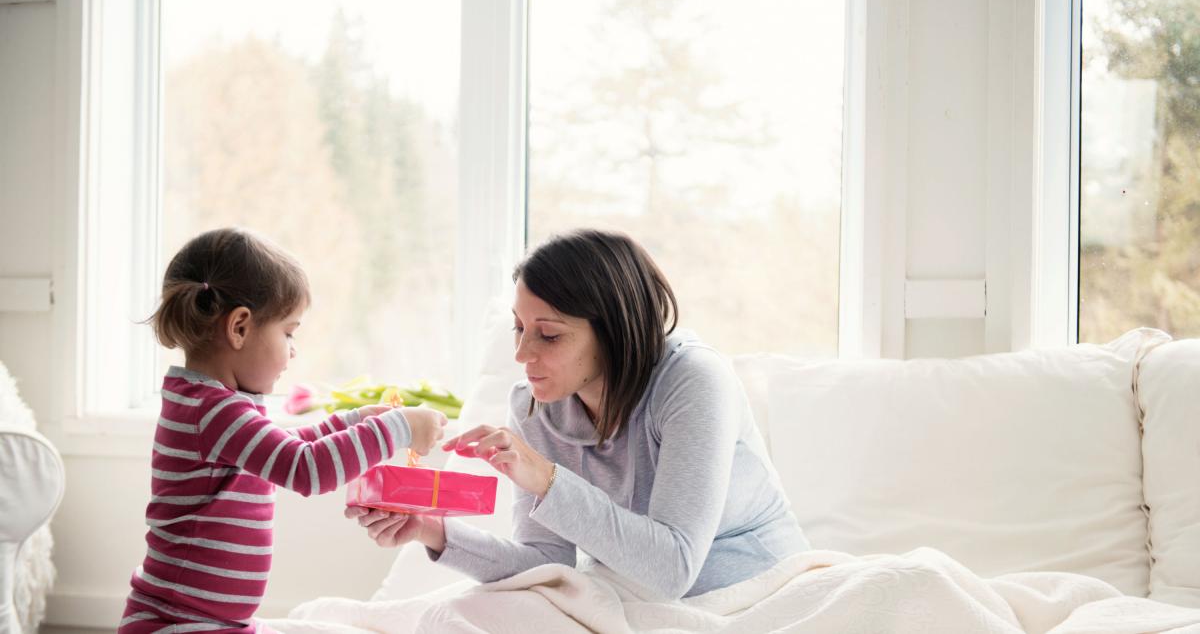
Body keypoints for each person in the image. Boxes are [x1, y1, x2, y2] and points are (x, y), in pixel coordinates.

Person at [347, 228, 809, 599]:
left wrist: (545, 478)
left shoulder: (694, 381)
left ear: (614, 331)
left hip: (754, 596)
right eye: (519, 327)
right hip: (630, 599)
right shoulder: (536, 403)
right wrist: (432, 531)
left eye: (548, 335)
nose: (523, 354)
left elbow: (673, 569)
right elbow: (547, 562)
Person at [118, 227, 447, 633]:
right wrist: (396, 428)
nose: (294, 349)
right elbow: (305, 469)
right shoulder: (212, 410)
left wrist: (351, 421)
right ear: (239, 327)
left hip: (211, 621)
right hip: (181, 624)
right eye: (288, 332)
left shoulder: (211, 404)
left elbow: (281, 449)